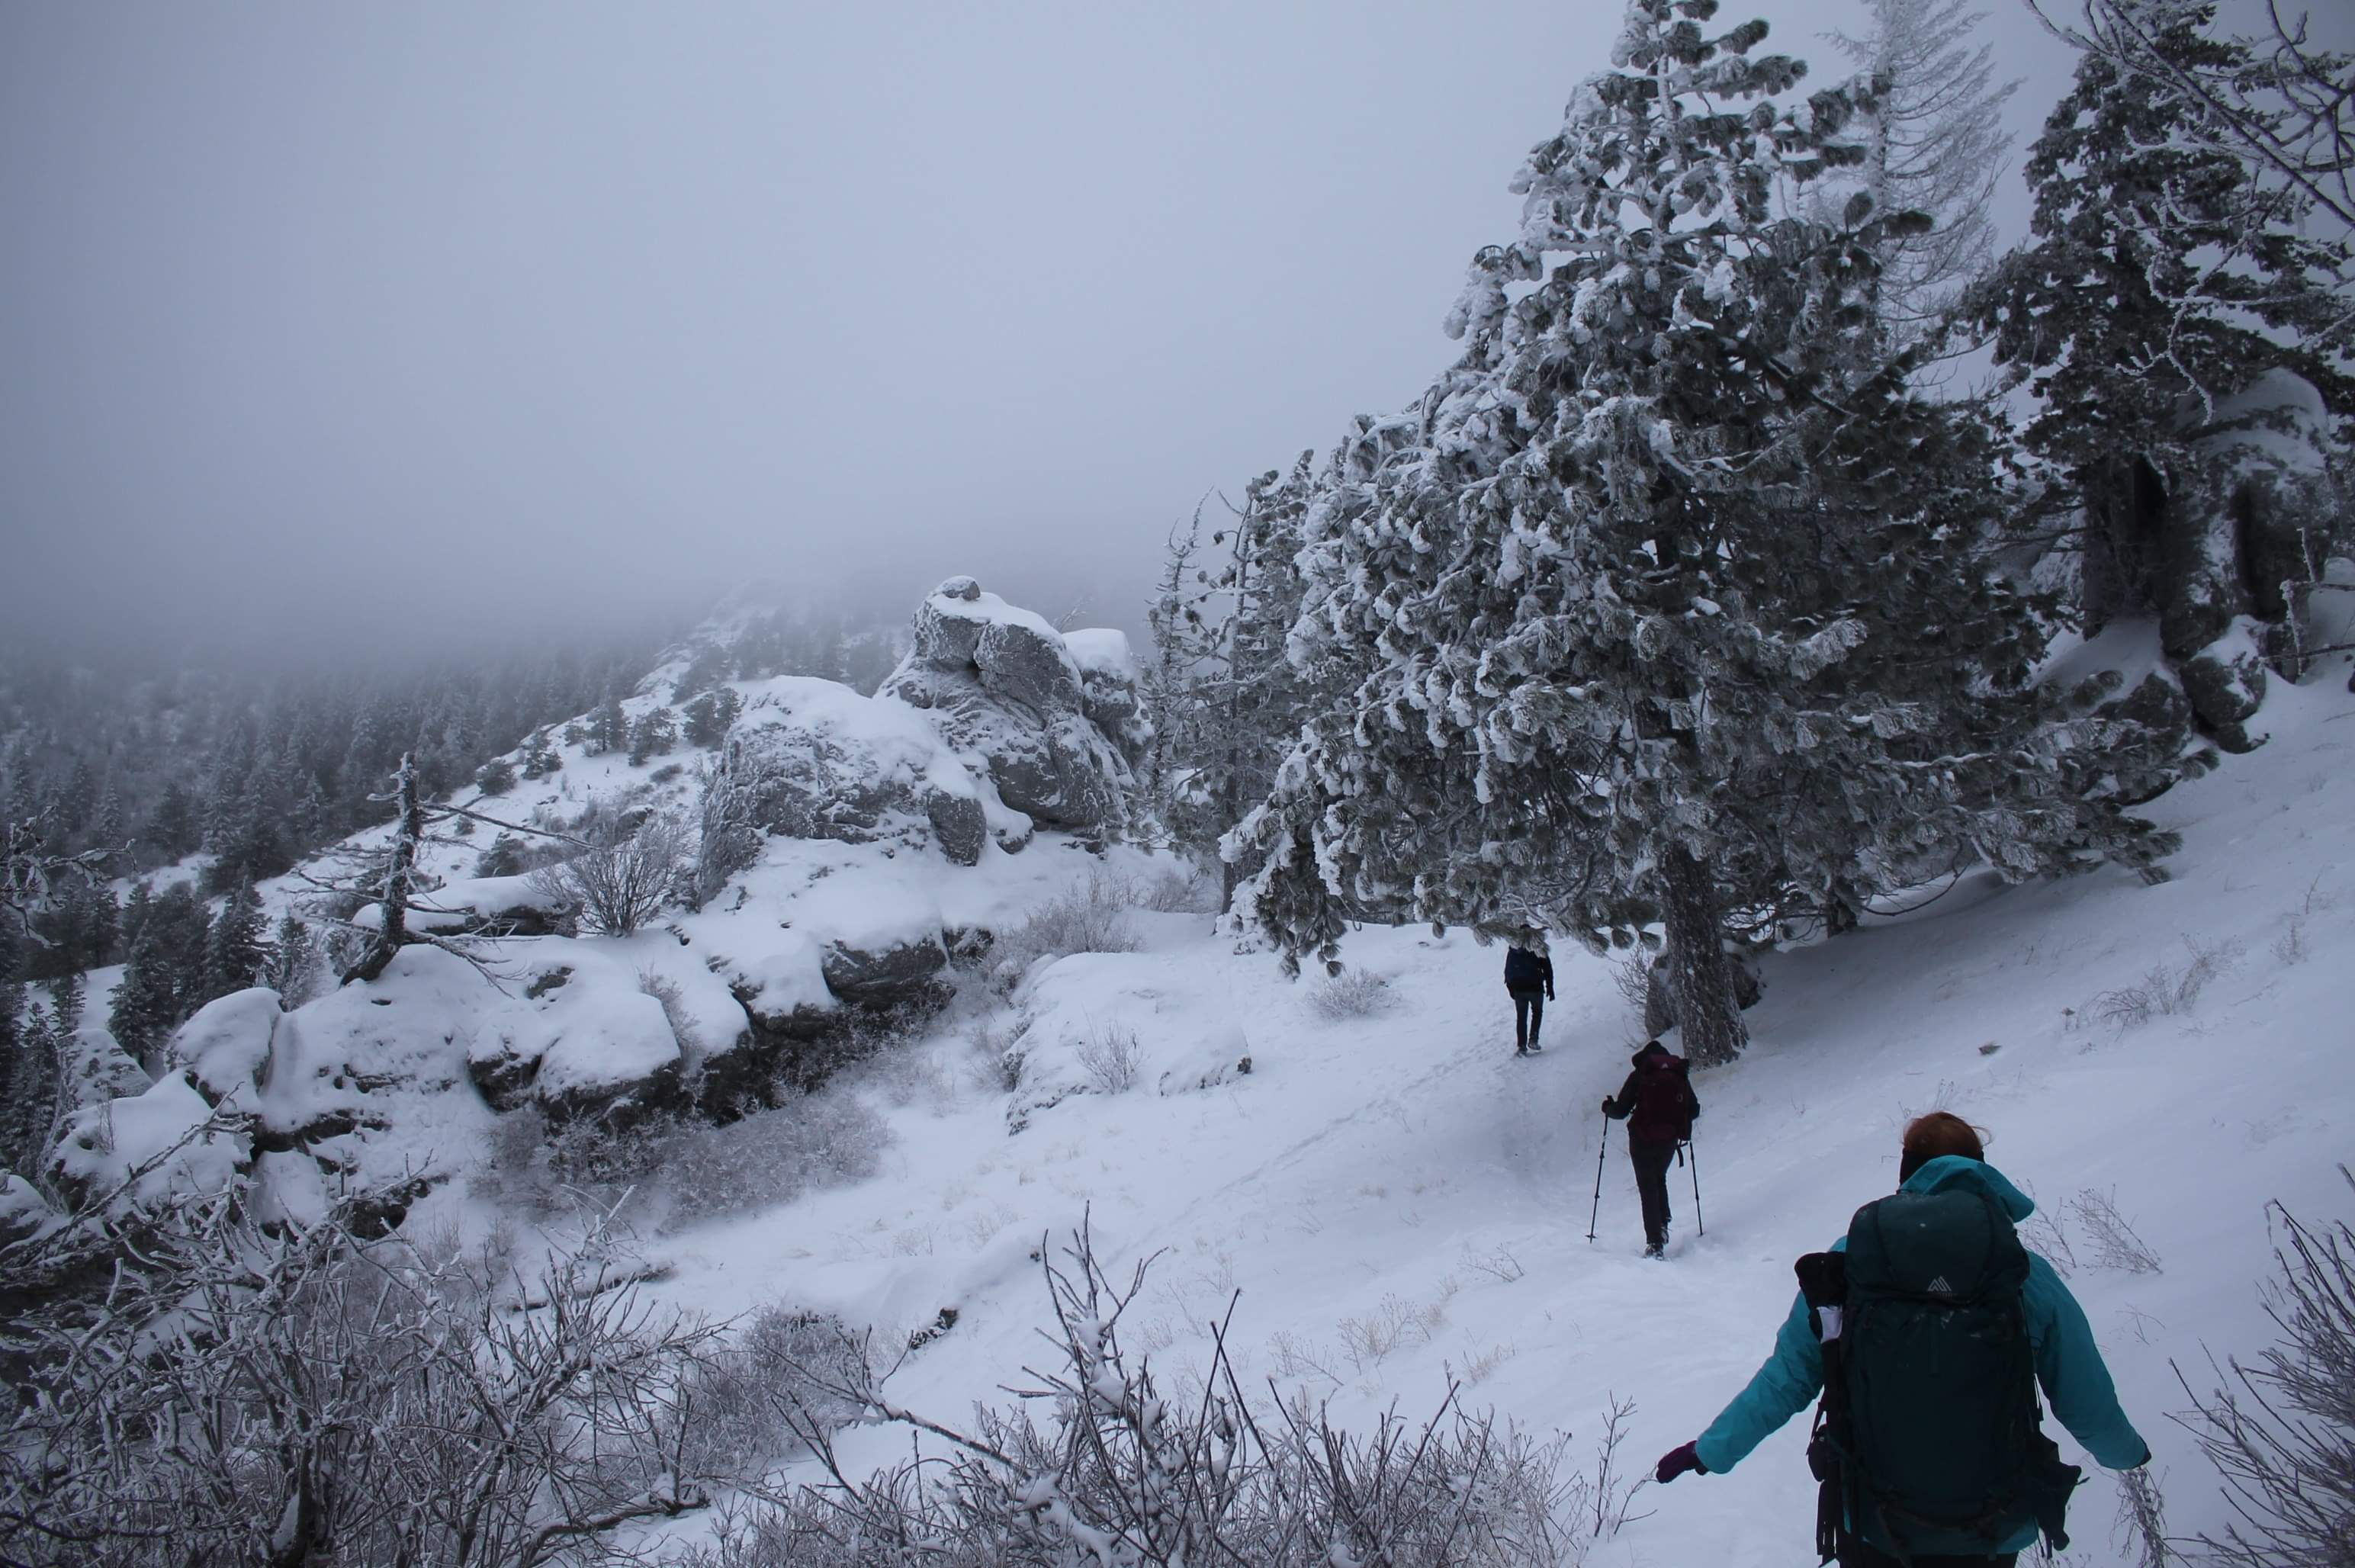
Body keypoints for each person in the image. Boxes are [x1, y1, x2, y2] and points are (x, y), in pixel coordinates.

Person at [1650, 1113, 2150, 1567]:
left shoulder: (1854, 1261)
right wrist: (2125, 1454)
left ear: (1908, 1173)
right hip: (1993, 1523)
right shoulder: (2019, 1273)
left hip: (1874, 1521)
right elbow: (2084, 1394)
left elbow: (1788, 1379)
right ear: (1979, 1170)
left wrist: (1710, 1452)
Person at [1600, 1039, 1698, 1257]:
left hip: (1642, 1138)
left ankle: (1655, 1243)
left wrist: (1607, 1108)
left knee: (1647, 1187)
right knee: (1658, 1178)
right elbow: (1694, 1109)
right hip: (1670, 1139)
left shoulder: (1640, 1076)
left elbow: (1620, 1111)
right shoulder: (1679, 1074)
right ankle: (1663, 1222)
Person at [1503, 940, 1554, 1056]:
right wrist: (1550, 987)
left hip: (1519, 989)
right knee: (1537, 1012)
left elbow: (1508, 970)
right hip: (1535, 987)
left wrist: (1511, 988)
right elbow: (1547, 968)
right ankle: (1533, 1039)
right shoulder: (1537, 945)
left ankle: (1522, 1047)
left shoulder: (1514, 947)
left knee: (1521, 1017)